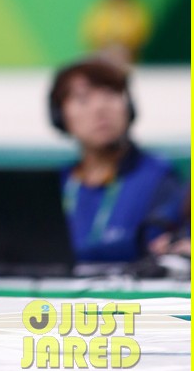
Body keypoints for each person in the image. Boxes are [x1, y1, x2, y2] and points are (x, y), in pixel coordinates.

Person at [48, 58, 185, 264]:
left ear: (128, 107)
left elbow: (157, 245)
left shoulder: (160, 177)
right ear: (60, 116)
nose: (99, 108)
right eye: (83, 99)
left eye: (110, 94)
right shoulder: (58, 182)